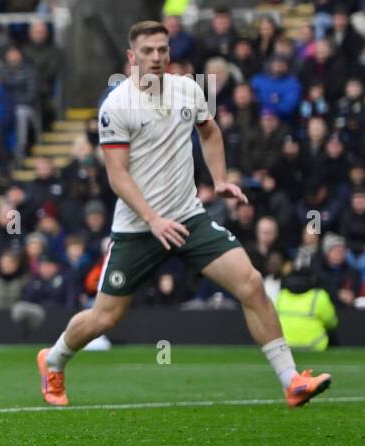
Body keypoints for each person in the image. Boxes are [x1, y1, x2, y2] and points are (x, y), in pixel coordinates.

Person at [38, 20, 331, 409]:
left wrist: (221, 178)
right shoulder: (117, 106)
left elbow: (209, 132)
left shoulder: (188, 90)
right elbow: (118, 176)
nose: (157, 57)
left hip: (188, 218)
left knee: (252, 284)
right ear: (132, 57)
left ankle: (291, 381)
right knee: (104, 319)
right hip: (139, 229)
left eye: (162, 49)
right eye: (147, 51)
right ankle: (53, 360)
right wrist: (154, 220)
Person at [275, 271, 338, 352]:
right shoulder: (319, 296)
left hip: (286, 347)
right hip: (315, 346)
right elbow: (332, 322)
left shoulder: (282, 296)